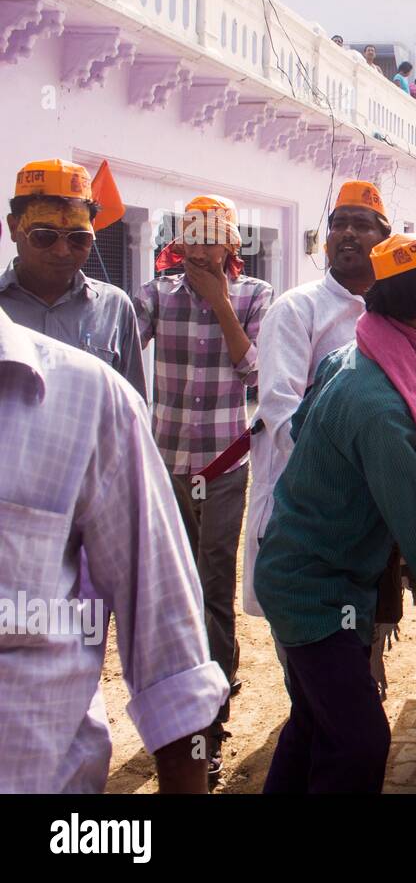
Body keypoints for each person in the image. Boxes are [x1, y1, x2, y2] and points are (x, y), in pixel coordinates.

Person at [255, 232, 416, 793]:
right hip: (314, 592)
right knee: (359, 742)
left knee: (314, 725)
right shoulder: (381, 405)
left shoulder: (362, 352)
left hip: (307, 574)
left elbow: (302, 427)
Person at [0, 305, 227, 792]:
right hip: (168, 454)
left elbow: (165, 634)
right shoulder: (157, 296)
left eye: (76, 236)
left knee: (213, 577)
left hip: (211, 458)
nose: (63, 248)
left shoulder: (88, 397)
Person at [133, 194, 272, 782]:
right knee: (168, 589)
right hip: (164, 468)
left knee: (213, 587)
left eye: (212, 236)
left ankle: (210, 723)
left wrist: (219, 304)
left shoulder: (254, 296)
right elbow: (117, 345)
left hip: (220, 469)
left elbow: (259, 371)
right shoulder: (155, 296)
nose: (200, 248)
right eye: (191, 236)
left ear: (231, 244)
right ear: (177, 241)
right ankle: (174, 715)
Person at [243, 181, 389, 679]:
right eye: (338, 224)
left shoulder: (386, 312)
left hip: (365, 507)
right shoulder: (296, 308)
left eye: (361, 225)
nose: (347, 234)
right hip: (303, 507)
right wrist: (341, 467)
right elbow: (281, 413)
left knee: (356, 638)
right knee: (311, 658)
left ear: (383, 240)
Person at [1, 159, 146, 398]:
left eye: (78, 238)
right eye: (44, 236)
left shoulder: (115, 307)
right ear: (14, 227)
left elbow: (132, 411)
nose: (62, 251)